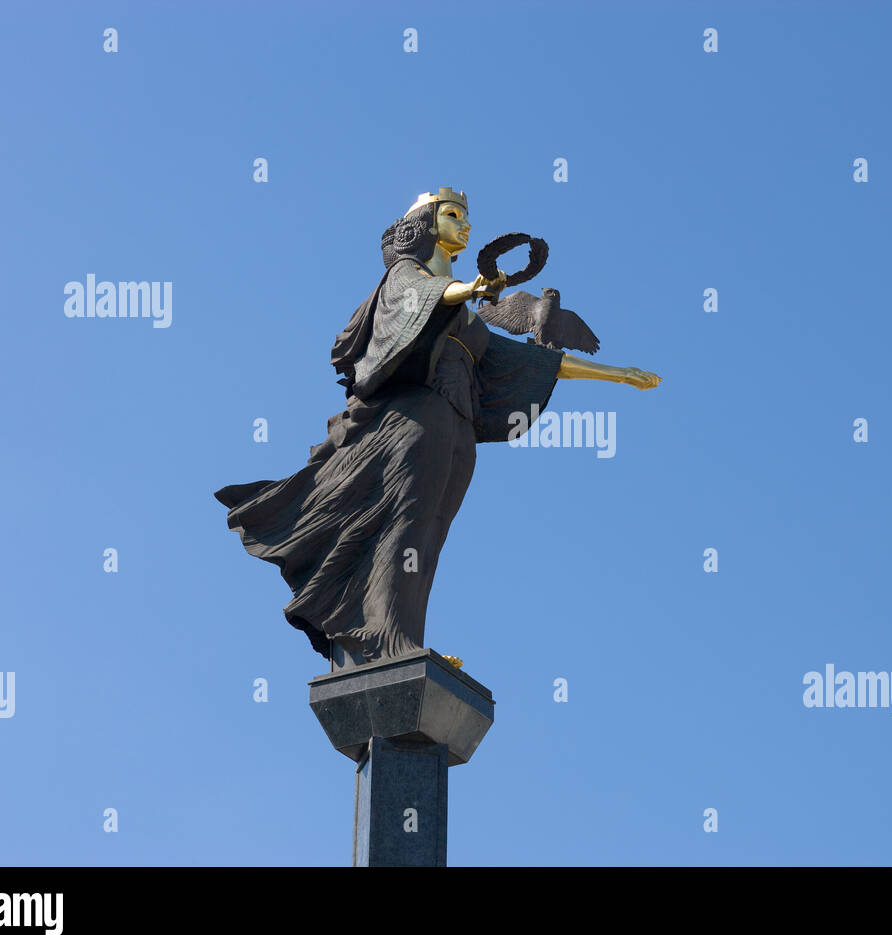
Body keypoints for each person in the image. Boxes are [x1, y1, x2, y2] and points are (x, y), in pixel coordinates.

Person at [215, 187, 660, 670]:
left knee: (429, 534)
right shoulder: (407, 277)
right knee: (407, 521)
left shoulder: (468, 314)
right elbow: (423, 297)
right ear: (422, 226)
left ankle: (397, 635)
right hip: (415, 418)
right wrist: (472, 288)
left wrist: (620, 374)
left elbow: (534, 360)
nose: (464, 225)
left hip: (458, 424)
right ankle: (388, 642)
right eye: (453, 215)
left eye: (466, 217)